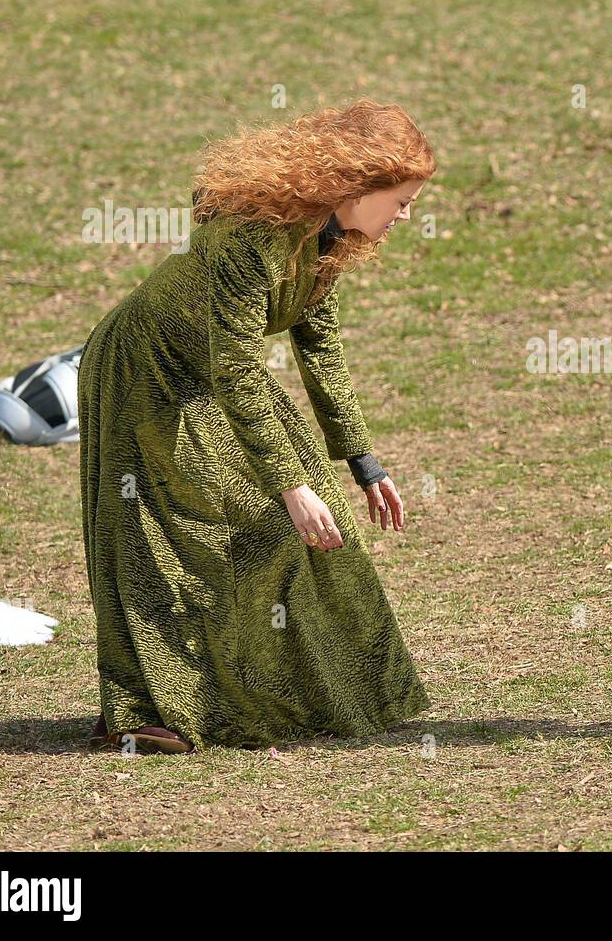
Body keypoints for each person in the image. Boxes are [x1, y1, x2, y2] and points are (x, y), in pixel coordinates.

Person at [79, 97, 435, 752]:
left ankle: (267, 701)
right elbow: (240, 366)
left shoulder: (330, 237)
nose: (407, 216)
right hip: (146, 369)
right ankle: (137, 713)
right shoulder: (256, 237)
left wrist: (362, 462)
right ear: (356, 188)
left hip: (211, 370)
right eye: (402, 200)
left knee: (302, 526)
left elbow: (318, 342)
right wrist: (287, 484)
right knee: (165, 538)